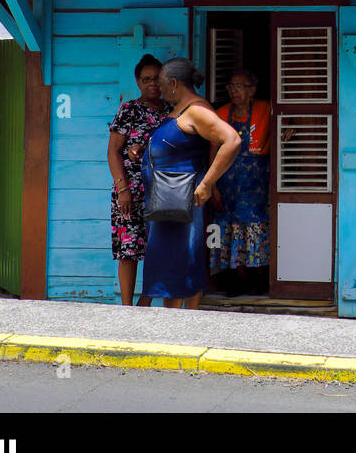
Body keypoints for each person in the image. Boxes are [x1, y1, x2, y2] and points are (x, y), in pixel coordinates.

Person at [141, 58, 241, 309]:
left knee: (179, 261)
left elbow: (231, 140)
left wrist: (207, 183)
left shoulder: (197, 110)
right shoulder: (180, 109)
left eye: (162, 84)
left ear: (174, 83)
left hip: (179, 200)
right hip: (165, 202)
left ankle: (181, 325)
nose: (159, 89)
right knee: (171, 262)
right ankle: (177, 323)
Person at [107, 54, 171, 306]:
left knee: (161, 248)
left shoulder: (171, 110)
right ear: (137, 81)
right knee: (129, 250)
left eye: (156, 79)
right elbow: (113, 151)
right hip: (131, 189)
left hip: (164, 189)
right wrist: (123, 189)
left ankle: (146, 300)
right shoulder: (129, 110)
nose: (152, 84)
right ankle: (126, 307)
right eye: (146, 79)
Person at [210, 69, 273, 295]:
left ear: (252, 90)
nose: (233, 91)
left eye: (238, 86)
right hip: (227, 184)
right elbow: (214, 150)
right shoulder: (221, 113)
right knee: (225, 231)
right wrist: (212, 185)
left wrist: (289, 131)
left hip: (255, 185)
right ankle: (233, 280)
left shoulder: (266, 109)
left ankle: (257, 279)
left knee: (255, 230)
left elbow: (288, 123)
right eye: (230, 86)